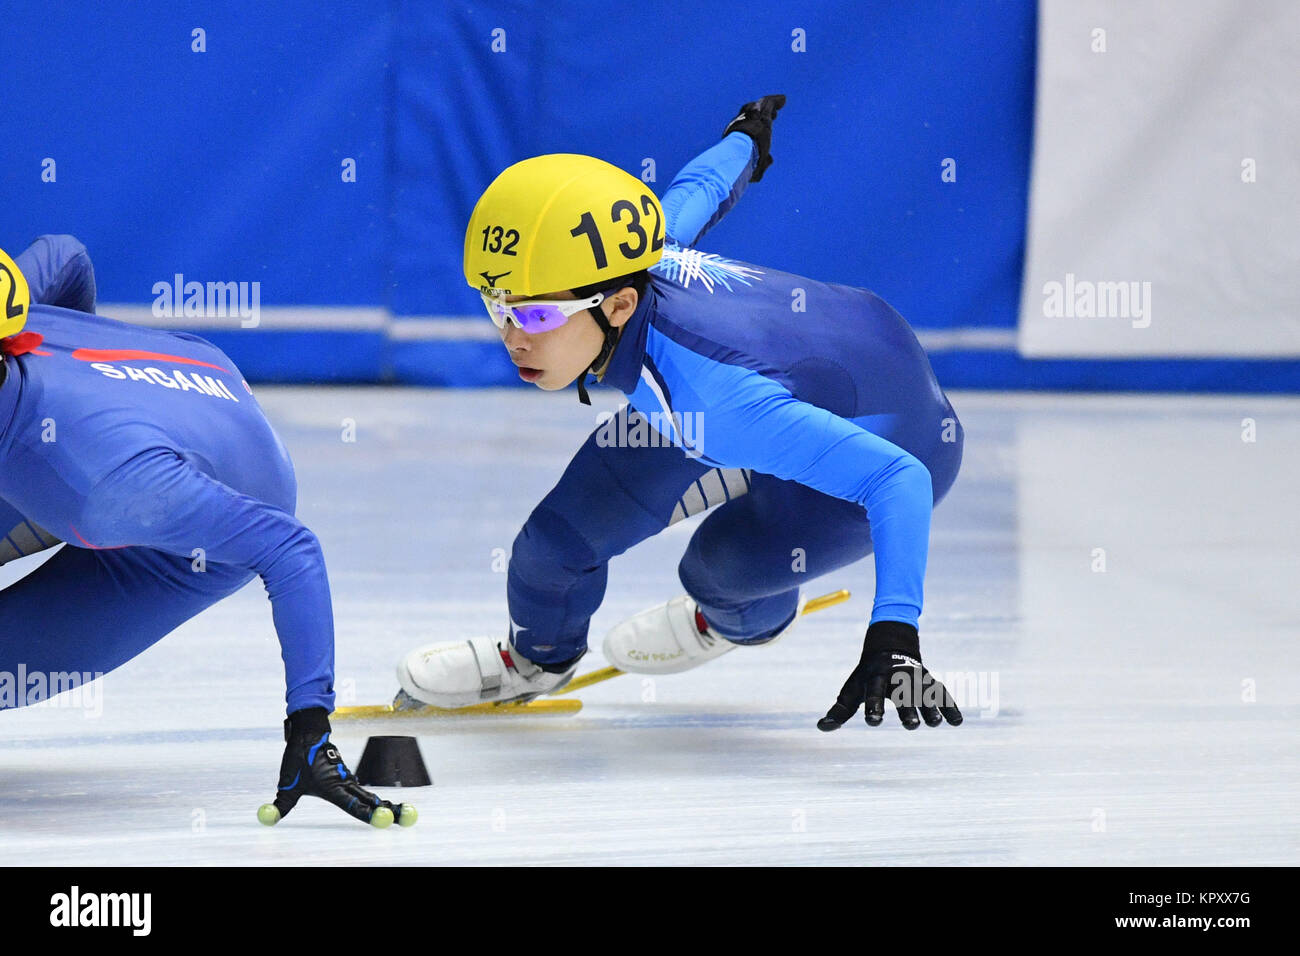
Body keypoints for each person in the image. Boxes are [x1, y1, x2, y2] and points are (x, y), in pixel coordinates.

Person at [399, 97, 965, 732]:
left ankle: (736, 615)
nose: (513, 338)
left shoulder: (714, 400)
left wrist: (895, 633)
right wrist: (747, 137)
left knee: (718, 569)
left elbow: (898, 479)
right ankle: (534, 662)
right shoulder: (634, 253)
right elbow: (702, 187)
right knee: (553, 549)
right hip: (786, 388)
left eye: (534, 315)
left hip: (895, 438)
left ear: (616, 307)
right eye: (497, 309)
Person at [0, 237, 415, 826]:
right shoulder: (14, 304)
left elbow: (290, 547)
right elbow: (65, 255)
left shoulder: (99, 483)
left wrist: (310, 731)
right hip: (165, 394)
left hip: (166, 528)